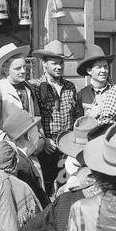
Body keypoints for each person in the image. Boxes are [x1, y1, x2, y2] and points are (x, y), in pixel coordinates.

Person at [32, 39, 79, 195]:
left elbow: (77, 116)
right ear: (44, 64)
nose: (59, 67)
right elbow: (34, 118)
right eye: (54, 63)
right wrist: (44, 140)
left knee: (67, 187)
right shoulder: (36, 87)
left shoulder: (70, 87)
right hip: (48, 147)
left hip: (68, 147)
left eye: (61, 63)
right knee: (47, 190)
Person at [0, 105, 47, 204]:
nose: (39, 135)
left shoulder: (19, 158)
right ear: (28, 136)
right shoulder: (22, 166)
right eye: (36, 131)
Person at [0, 42, 37, 116]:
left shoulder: (28, 87)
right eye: (17, 68)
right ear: (5, 69)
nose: (23, 71)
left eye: (24, 66)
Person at [75, 46, 112, 117]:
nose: (103, 70)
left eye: (105, 66)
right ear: (89, 71)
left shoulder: (115, 91)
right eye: (99, 67)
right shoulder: (81, 95)